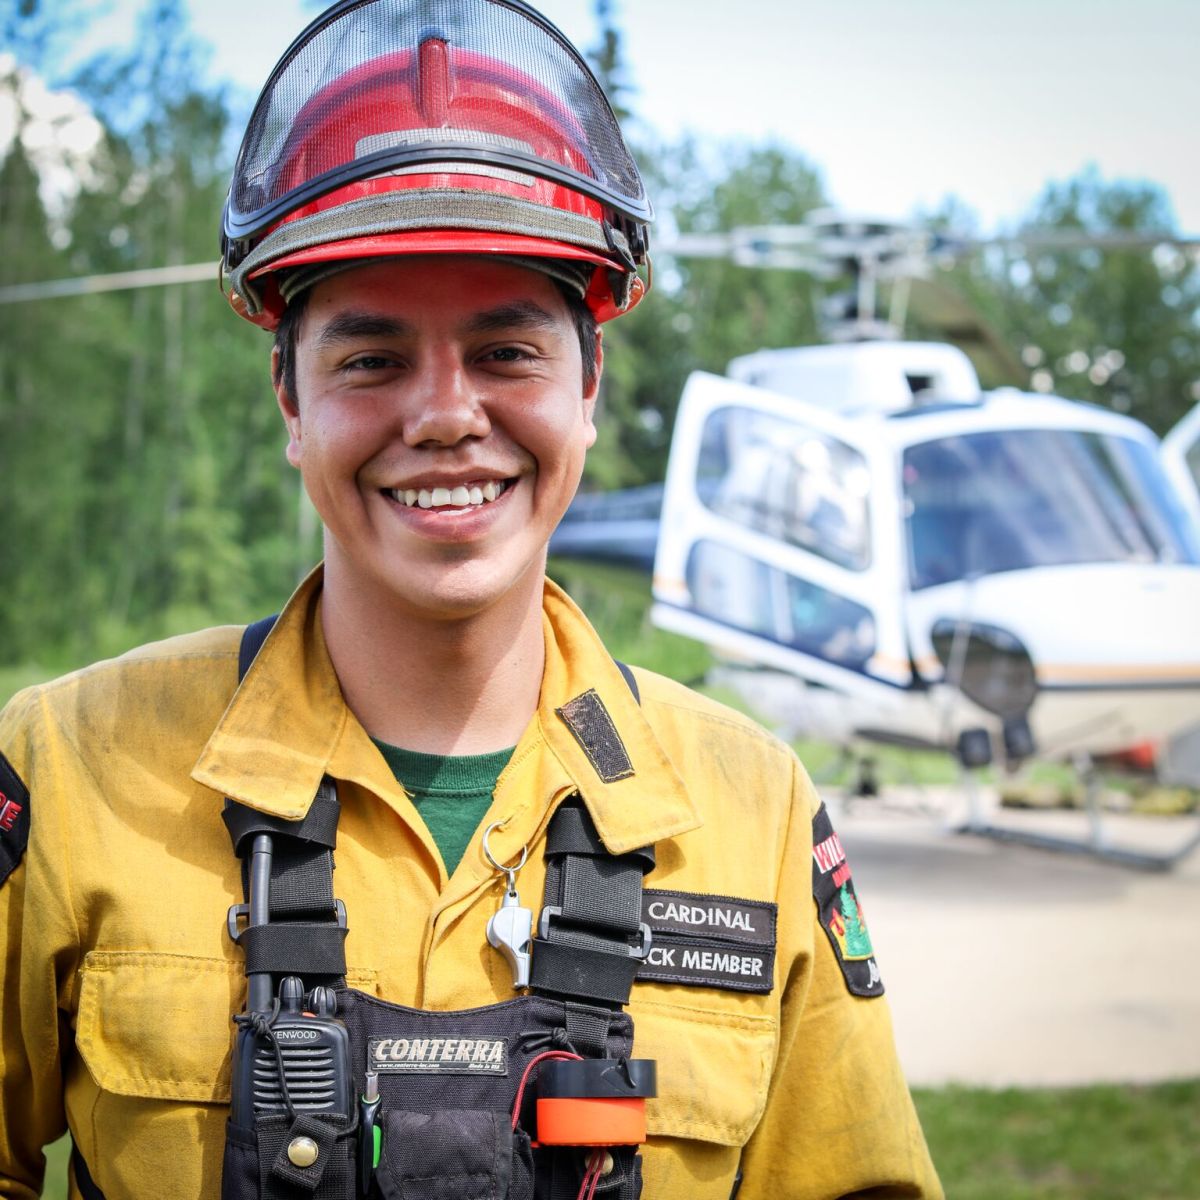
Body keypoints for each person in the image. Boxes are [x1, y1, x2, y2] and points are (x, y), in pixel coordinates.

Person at [0, 2, 942, 1198]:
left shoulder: (749, 813)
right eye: (372, 358)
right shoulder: (73, 767)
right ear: (290, 402)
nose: (445, 415)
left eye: (507, 353)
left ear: (590, 388)